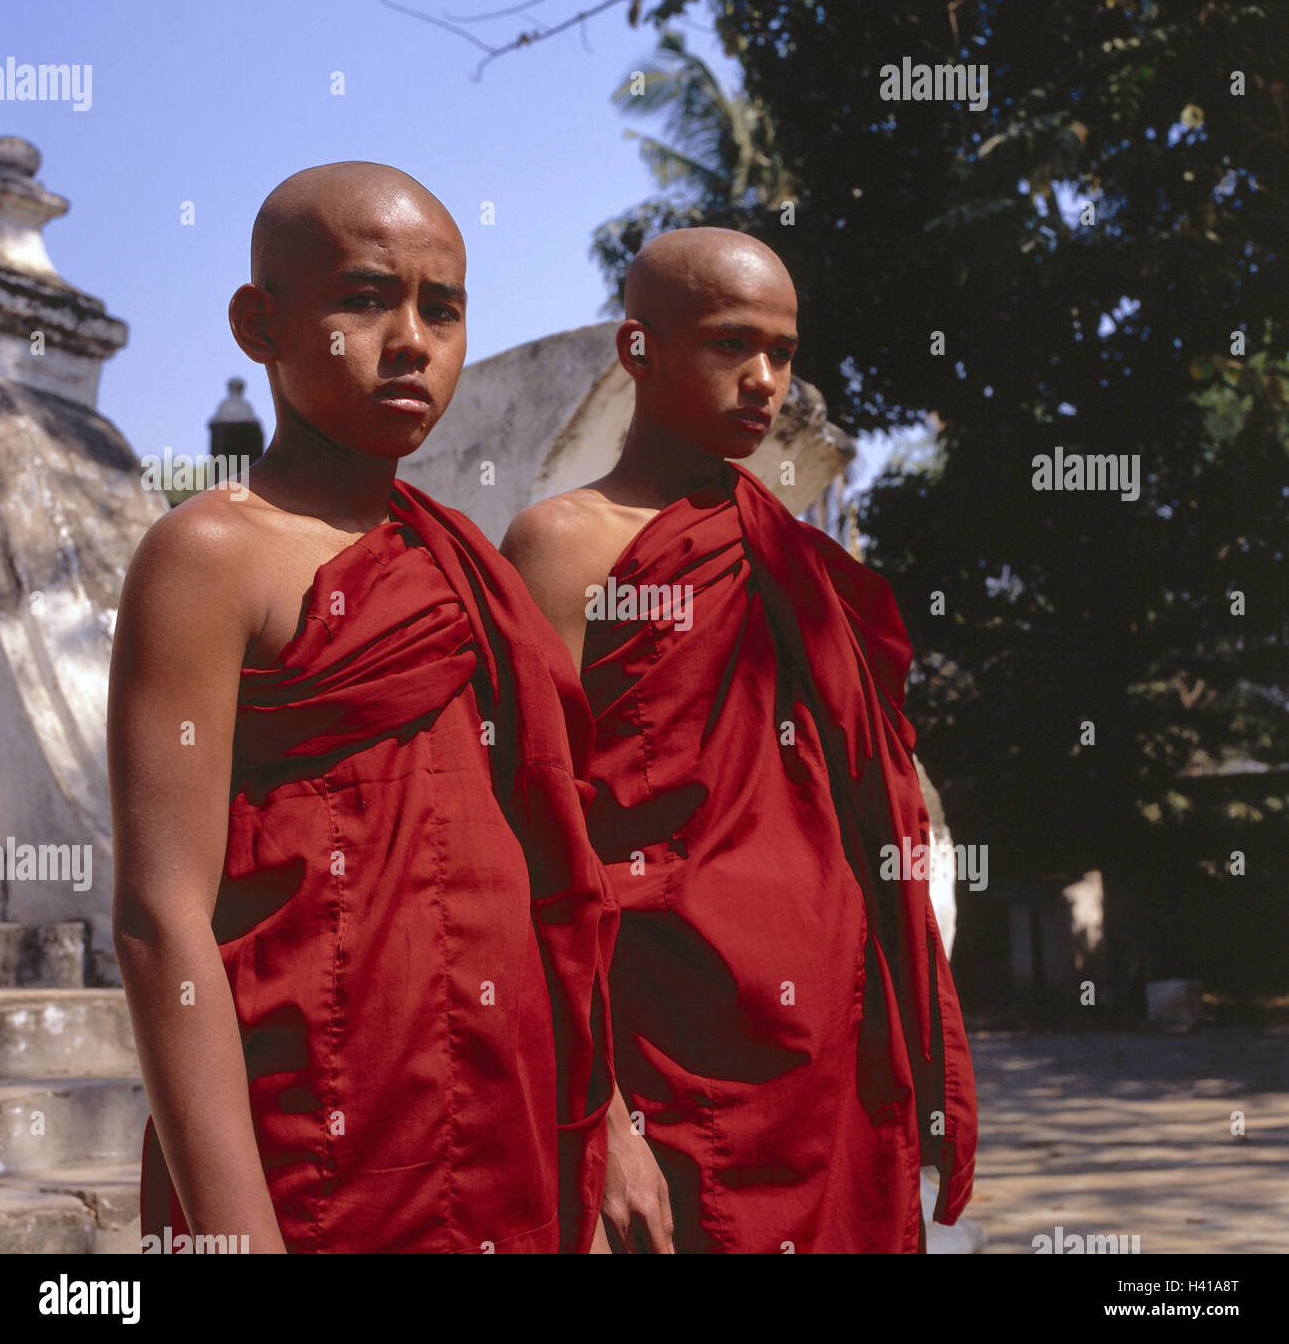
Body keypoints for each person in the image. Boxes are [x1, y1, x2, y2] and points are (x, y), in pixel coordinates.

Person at [108, 162, 616, 1254]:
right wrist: (234, 1238)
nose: (412, 340)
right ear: (261, 324)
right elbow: (160, 919)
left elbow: (554, 877)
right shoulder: (211, 555)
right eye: (364, 297)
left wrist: (608, 1122)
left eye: (443, 308)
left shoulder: (462, 566)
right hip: (307, 1141)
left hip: (507, 1126)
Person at [501, 227, 977, 1253]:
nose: (764, 380)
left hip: (834, 1052)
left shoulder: (799, 558)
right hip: (668, 1053)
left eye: (783, 351)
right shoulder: (565, 545)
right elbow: (534, 846)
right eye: (730, 345)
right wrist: (604, 1115)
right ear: (639, 350)